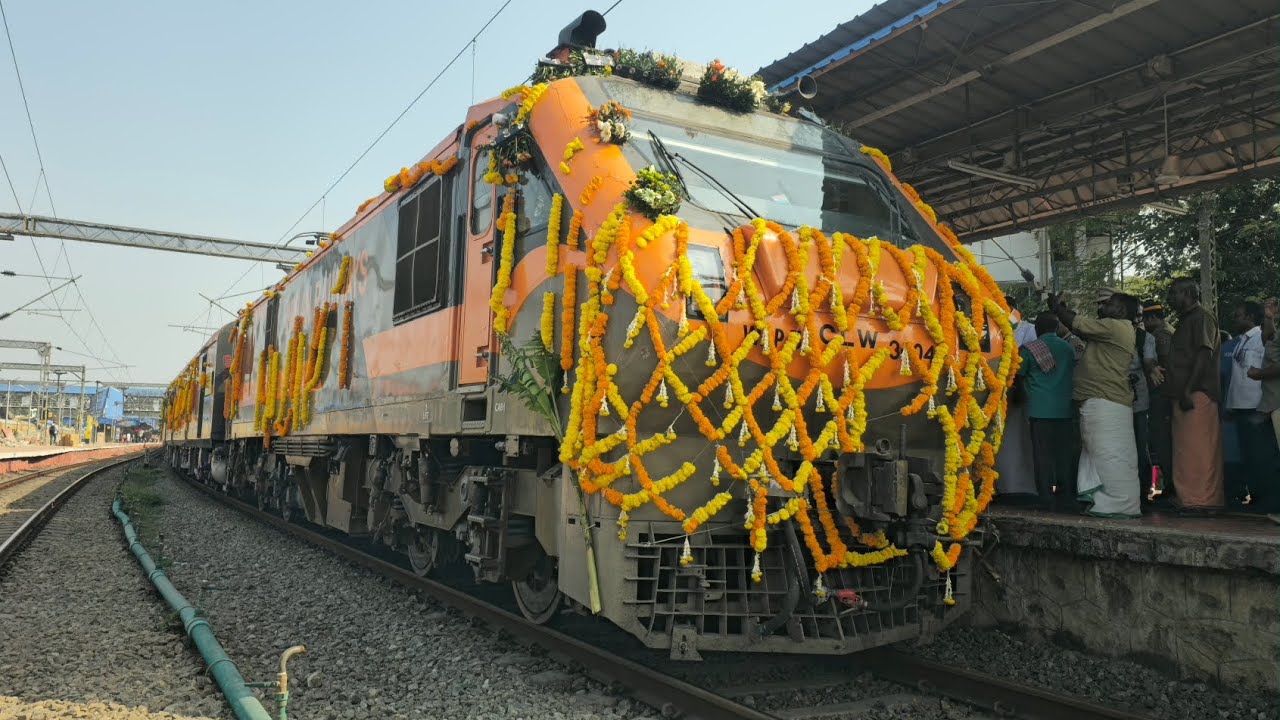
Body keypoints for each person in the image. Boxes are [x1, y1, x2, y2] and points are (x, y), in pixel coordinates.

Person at [1050, 288, 1141, 518]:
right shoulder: (1115, 329)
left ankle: (1115, 504)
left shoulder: (1116, 327)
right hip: (1105, 400)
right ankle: (1108, 502)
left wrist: (1057, 308)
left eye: (1107, 304)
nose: (1101, 308)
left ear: (1120, 310)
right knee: (1102, 454)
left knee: (1108, 455)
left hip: (1105, 400)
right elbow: (1078, 327)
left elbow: (1075, 323)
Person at [1163, 278, 1225, 512]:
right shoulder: (1187, 320)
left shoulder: (1202, 317)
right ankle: (1189, 499)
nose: (1169, 297)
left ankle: (1203, 501)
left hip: (1197, 394)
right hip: (1184, 395)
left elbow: (1204, 354)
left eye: (1174, 293)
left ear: (1189, 294)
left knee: (1199, 451)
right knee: (1186, 451)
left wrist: (1189, 388)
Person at [1017, 312, 1078, 510]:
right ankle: (1066, 494)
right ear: (1056, 327)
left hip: (1040, 411)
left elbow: (1018, 375)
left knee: (1042, 456)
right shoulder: (1067, 348)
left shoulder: (1028, 349)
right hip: (1066, 409)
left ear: (1036, 328)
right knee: (1063, 455)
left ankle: (1045, 497)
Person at [1226, 301, 1268, 508]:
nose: (1234, 318)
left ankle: (1267, 498)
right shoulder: (1241, 341)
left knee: (1260, 455)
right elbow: (1238, 377)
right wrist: (1232, 404)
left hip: (1256, 406)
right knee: (1249, 455)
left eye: (1238, 315)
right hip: (1241, 407)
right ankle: (1256, 496)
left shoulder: (1261, 338)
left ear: (1250, 317)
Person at [1245, 297, 1280, 519]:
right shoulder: (1275, 330)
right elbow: (1269, 340)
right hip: (1272, 401)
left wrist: (1259, 374)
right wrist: (1269, 317)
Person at [1143, 303, 1174, 498]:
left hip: (1161, 397)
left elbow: (1163, 367)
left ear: (1152, 318)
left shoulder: (1160, 335)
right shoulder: (1168, 330)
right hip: (1164, 397)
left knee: (1163, 443)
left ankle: (1171, 486)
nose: (1143, 324)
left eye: (1145, 319)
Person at [1129, 314, 1159, 503]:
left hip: (1137, 398)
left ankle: (1143, 487)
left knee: (1140, 445)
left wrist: (1152, 370)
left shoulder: (1145, 338)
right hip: (1120, 396)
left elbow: (1149, 362)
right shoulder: (1144, 337)